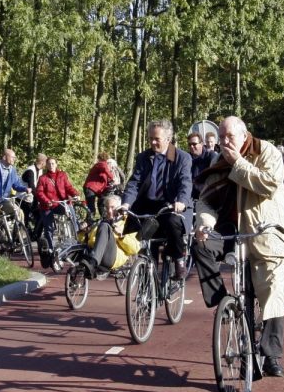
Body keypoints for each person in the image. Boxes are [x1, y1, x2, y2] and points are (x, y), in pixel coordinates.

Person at [193, 116, 284, 377]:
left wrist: (237, 163)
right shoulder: (220, 161)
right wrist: (204, 224)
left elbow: (268, 184)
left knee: (273, 293)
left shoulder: (266, 151)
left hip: (267, 232)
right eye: (223, 137)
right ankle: (225, 305)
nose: (226, 142)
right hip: (232, 228)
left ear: (244, 134)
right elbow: (205, 199)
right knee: (202, 247)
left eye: (230, 137)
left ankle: (271, 354)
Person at [119, 119, 193, 280]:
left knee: (174, 222)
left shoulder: (183, 158)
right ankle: (147, 281)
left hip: (171, 205)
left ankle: (179, 259)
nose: (152, 142)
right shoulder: (143, 157)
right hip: (148, 205)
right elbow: (134, 183)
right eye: (150, 138)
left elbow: (185, 182)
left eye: (156, 139)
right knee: (142, 238)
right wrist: (125, 203)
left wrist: (181, 201)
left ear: (168, 139)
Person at [0, 148, 32, 257]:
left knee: (19, 212)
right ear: (5, 157)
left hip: (5, 201)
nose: (14, 159)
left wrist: (25, 189)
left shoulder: (12, 170)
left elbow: (16, 185)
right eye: (12, 157)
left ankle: (19, 237)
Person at [36, 156, 81, 264]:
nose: (51, 165)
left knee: (71, 213)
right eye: (49, 163)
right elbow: (39, 192)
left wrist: (75, 194)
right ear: (46, 165)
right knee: (49, 227)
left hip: (60, 203)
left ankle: (76, 238)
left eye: (53, 163)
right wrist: (47, 201)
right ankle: (51, 250)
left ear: (56, 164)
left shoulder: (62, 175)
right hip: (48, 205)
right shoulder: (43, 178)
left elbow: (68, 187)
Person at [82, 152, 117, 219]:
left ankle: (104, 219)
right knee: (91, 208)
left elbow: (104, 181)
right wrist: (113, 178)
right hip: (90, 188)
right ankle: (88, 223)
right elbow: (105, 170)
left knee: (102, 202)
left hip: (97, 190)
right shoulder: (101, 164)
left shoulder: (102, 168)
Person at [187, 132, 219, 201]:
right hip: (191, 199)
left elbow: (216, 177)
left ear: (201, 144)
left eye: (194, 144)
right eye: (190, 144)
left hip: (208, 198)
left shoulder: (211, 156)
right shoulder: (186, 159)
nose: (191, 146)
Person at [21, 153, 48, 236]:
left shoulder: (40, 170)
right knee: (25, 218)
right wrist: (41, 198)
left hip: (32, 198)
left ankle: (35, 235)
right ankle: (19, 237)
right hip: (23, 198)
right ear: (43, 163)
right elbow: (32, 187)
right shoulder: (30, 171)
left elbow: (40, 186)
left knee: (42, 214)